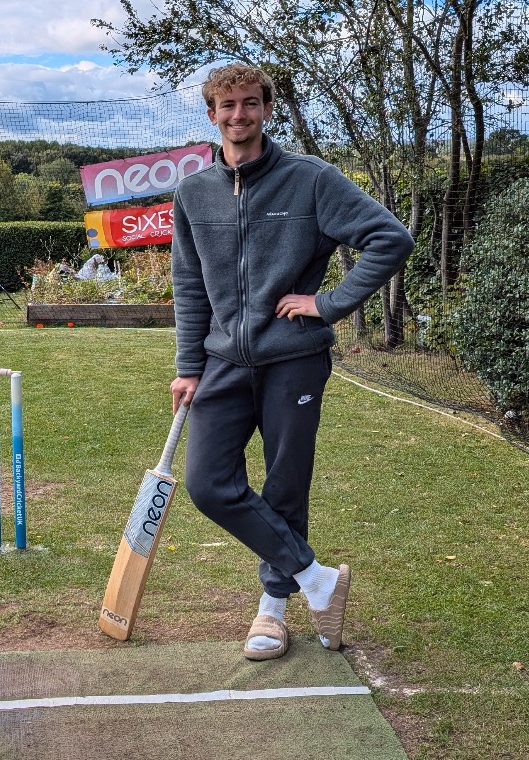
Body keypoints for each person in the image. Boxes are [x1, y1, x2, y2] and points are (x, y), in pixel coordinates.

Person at [169, 63, 413, 659]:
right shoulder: (193, 193)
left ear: (266, 109)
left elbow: (391, 238)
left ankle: (272, 612)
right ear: (211, 114)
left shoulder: (310, 180)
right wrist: (188, 365)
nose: (238, 116)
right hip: (222, 361)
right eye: (226, 107)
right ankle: (318, 580)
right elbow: (189, 286)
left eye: (249, 104)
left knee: (284, 487)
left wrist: (326, 304)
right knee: (207, 485)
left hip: (294, 361)